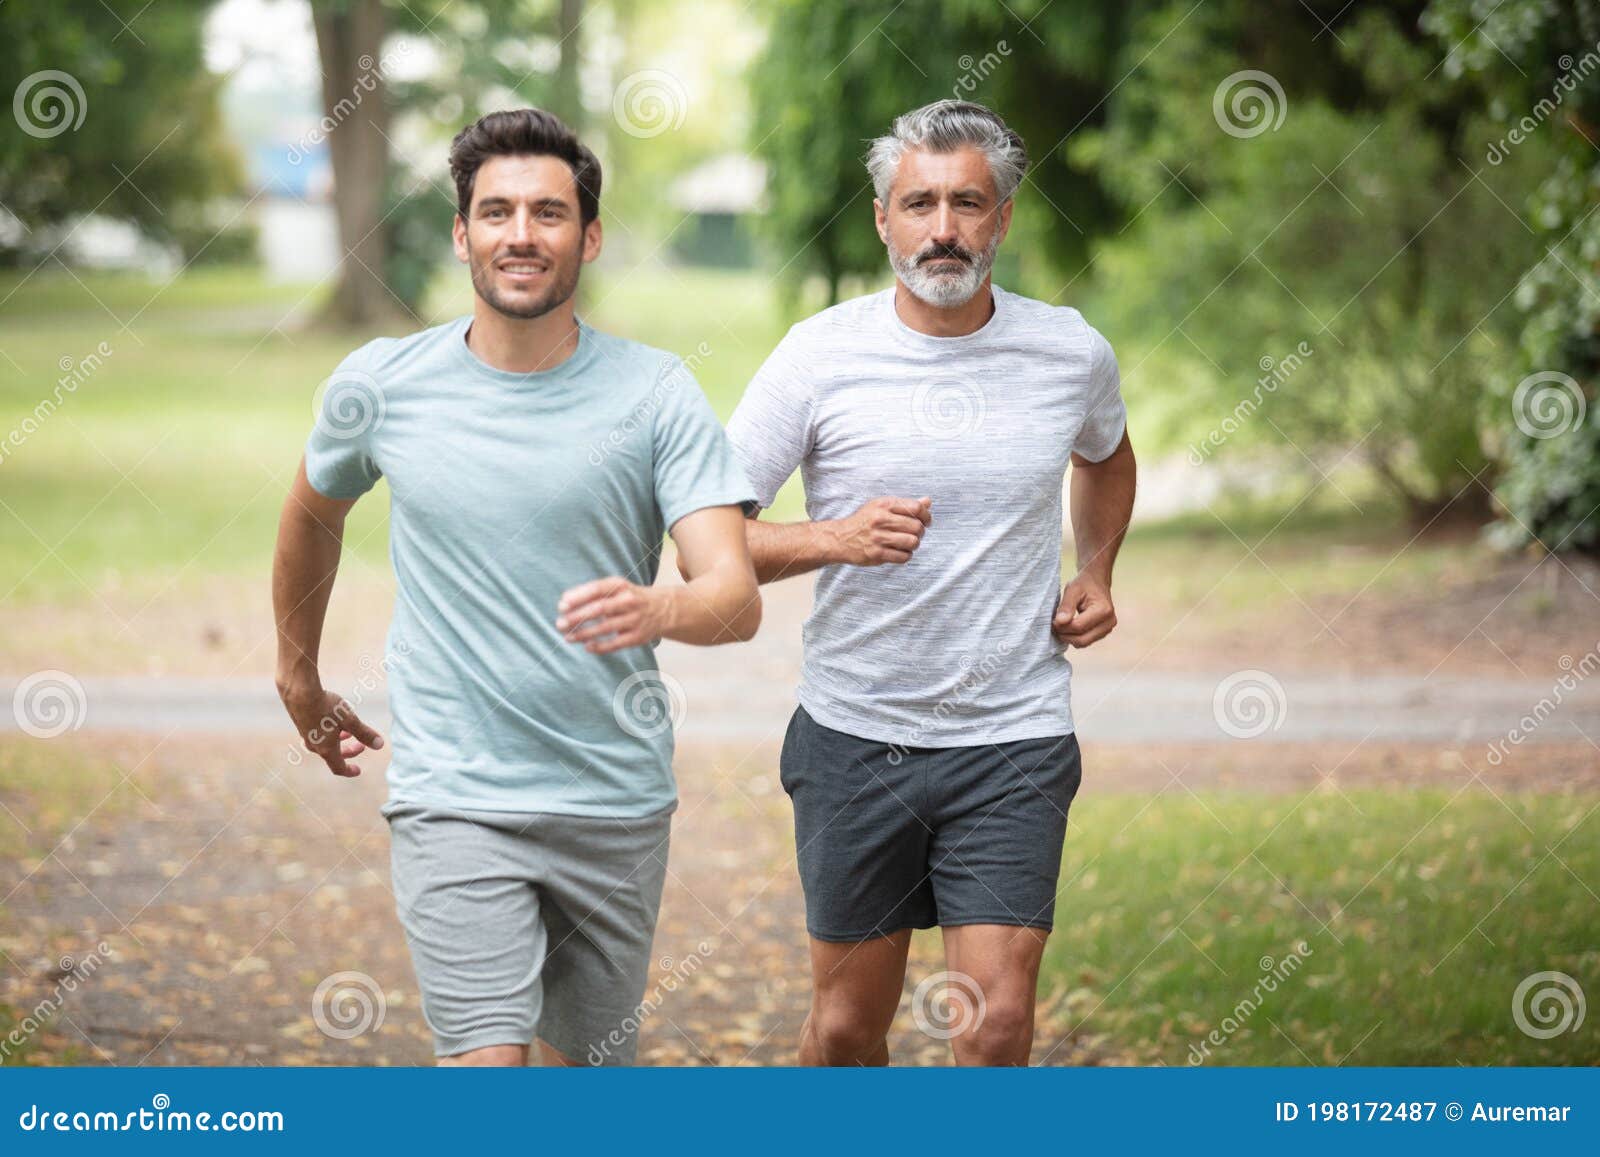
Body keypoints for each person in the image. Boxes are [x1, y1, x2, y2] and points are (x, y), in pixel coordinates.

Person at [271, 108, 759, 1067]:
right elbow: (311, 513)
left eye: (549, 212)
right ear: (462, 234)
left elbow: (734, 594)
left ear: (591, 234)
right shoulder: (382, 382)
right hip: (455, 795)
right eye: (496, 213)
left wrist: (661, 605)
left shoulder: (657, 393)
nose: (521, 235)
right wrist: (299, 674)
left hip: (613, 801)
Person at [726, 99, 1137, 1066]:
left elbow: (1108, 455)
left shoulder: (1068, 350)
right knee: (843, 1028)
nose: (943, 230)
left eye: (967, 203)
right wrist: (834, 537)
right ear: (883, 219)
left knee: (994, 1023)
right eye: (919, 204)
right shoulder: (818, 356)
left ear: (1003, 216)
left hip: (1014, 735)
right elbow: (712, 541)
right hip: (856, 734)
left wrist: (1098, 567)